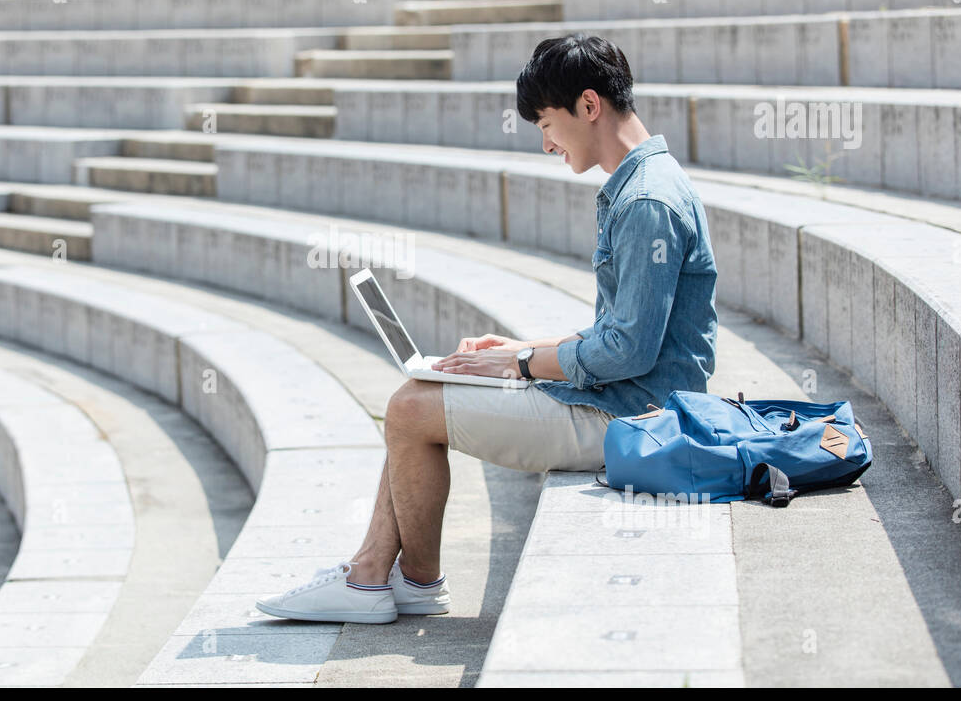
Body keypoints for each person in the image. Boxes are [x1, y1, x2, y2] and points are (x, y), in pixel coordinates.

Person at [256, 34, 718, 624]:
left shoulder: (646, 201)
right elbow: (623, 332)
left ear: (589, 106)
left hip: (634, 420)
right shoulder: (644, 184)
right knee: (421, 395)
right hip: (626, 402)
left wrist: (521, 365)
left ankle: (395, 579)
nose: (546, 143)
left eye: (546, 123)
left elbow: (628, 350)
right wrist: (521, 349)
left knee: (410, 410)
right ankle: (372, 573)